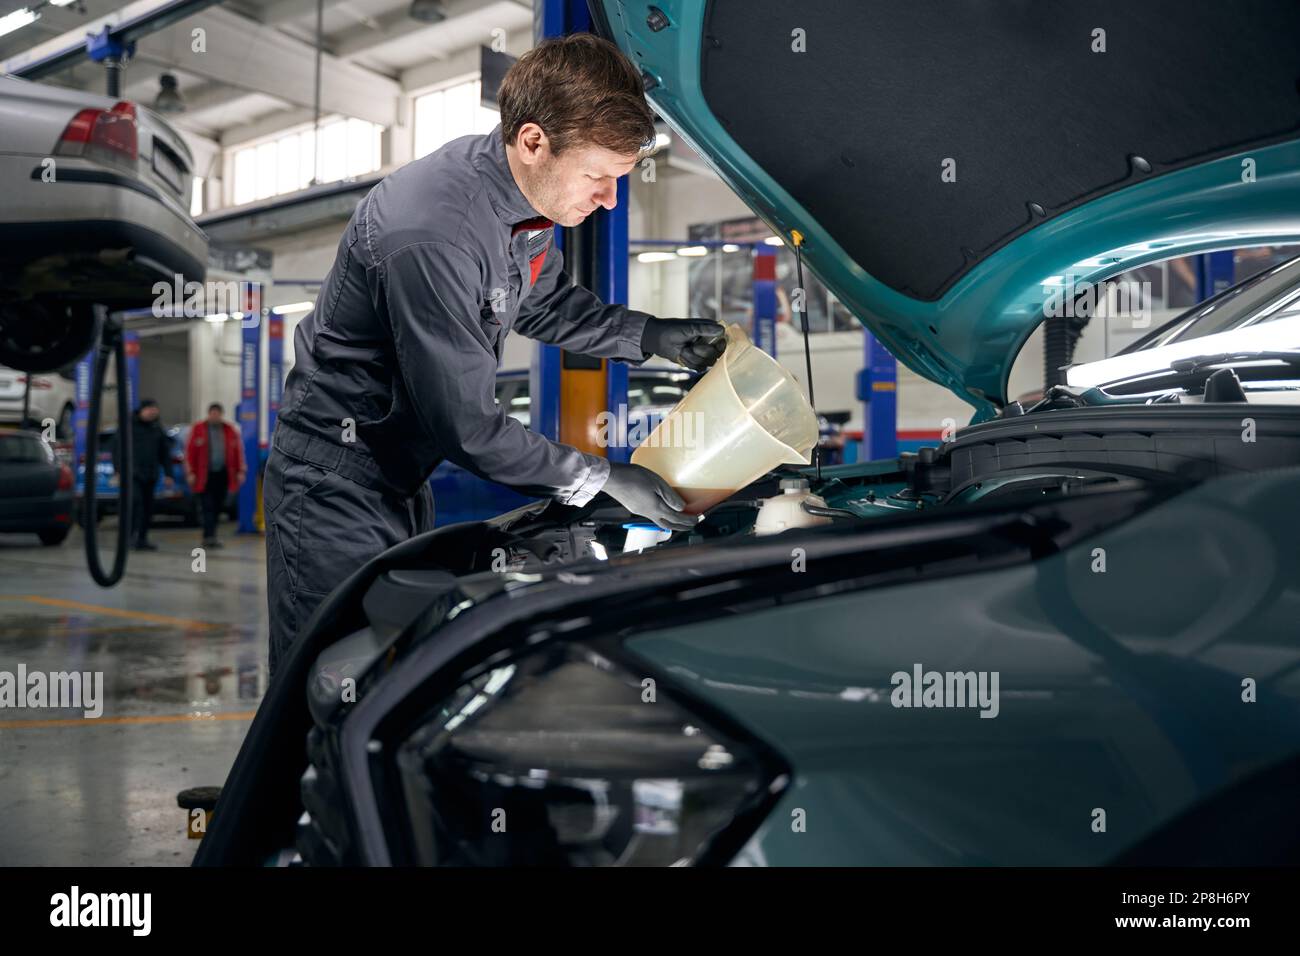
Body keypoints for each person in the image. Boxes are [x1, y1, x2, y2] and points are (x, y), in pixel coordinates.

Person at [263, 34, 726, 674]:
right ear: (533, 141)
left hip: (399, 474)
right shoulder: (434, 233)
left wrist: (648, 335)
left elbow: (540, 302)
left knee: (392, 664)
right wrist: (603, 477)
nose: (610, 199)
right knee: (330, 678)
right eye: (597, 177)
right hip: (333, 481)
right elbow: (468, 428)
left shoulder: (517, 201)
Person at [113, 398, 171, 551]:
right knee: (134, 503)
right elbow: (117, 449)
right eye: (150, 410)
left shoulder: (157, 428)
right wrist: (118, 470)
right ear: (142, 410)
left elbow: (164, 452)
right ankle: (127, 537)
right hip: (132, 474)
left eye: (155, 410)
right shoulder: (128, 426)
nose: (153, 413)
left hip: (150, 474)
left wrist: (168, 473)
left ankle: (142, 539)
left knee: (147, 508)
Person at [184, 403, 245, 549]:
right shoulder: (199, 429)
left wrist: (240, 471)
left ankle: (212, 535)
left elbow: (237, 452)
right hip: (204, 476)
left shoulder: (229, 430)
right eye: (213, 413)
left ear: (221, 415)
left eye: (217, 414)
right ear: (209, 414)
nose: (215, 416)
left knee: (218, 506)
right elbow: (190, 452)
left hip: (223, 475)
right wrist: (190, 472)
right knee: (207, 506)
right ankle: (208, 536)